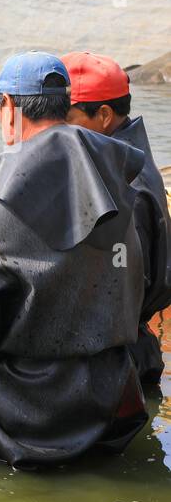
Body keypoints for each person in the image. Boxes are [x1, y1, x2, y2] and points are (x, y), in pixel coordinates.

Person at [0, 51, 148, 467]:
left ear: (9, 108)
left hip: (22, 425)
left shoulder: (3, 211)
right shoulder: (119, 181)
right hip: (112, 408)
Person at [62, 51, 171, 386]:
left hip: (119, 367)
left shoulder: (126, 190)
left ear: (105, 115)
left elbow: (120, 298)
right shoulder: (124, 162)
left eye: (65, 117)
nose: (58, 129)